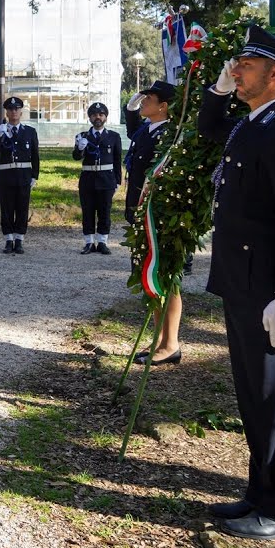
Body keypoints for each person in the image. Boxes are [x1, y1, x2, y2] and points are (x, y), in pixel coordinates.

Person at [198, 26, 275, 541]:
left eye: (245, 65)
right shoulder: (256, 121)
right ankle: (260, 492)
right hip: (246, 282)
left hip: (272, 288)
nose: (236, 69)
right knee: (254, 394)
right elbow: (210, 129)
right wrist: (220, 90)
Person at [125, 81, 184, 366]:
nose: (143, 101)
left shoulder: (171, 134)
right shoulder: (145, 131)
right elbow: (132, 122)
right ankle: (159, 340)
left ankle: (170, 343)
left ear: (164, 106)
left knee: (164, 276)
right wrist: (134, 102)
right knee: (151, 278)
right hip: (140, 211)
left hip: (158, 214)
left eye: (149, 98)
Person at [0, 97, 39, 254]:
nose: (14, 112)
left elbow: (35, 155)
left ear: (21, 111)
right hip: (6, 175)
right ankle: (9, 239)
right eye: (10, 109)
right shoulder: (1, 130)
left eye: (16, 109)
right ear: (7, 112)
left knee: (22, 208)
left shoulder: (30, 132)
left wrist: (35, 176)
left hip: (24, 175)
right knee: (7, 209)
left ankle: (19, 239)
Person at [73, 102, 122, 255]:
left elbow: (117, 160)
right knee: (88, 211)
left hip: (106, 179)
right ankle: (88, 242)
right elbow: (75, 157)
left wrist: (118, 181)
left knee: (104, 211)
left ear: (105, 117)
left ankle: (102, 241)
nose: (97, 117)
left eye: (101, 114)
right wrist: (80, 148)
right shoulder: (82, 136)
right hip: (88, 178)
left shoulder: (114, 137)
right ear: (90, 118)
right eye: (94, 115)